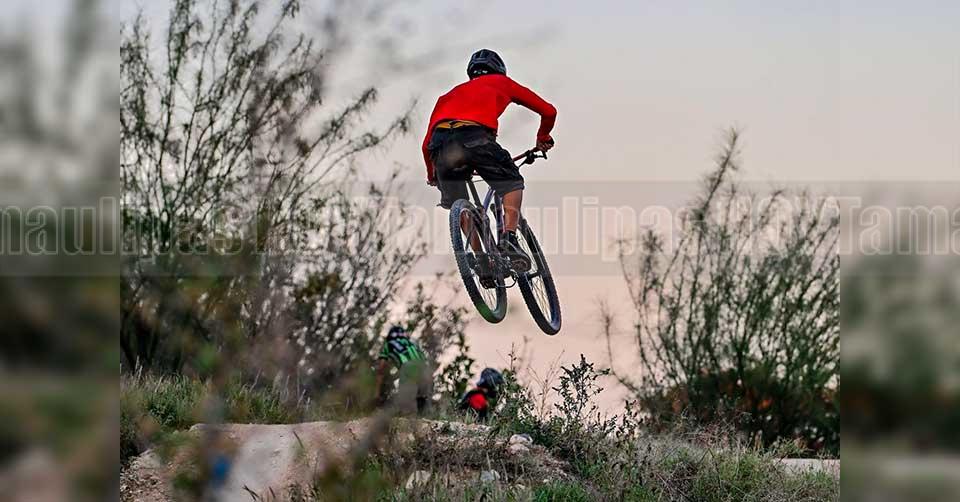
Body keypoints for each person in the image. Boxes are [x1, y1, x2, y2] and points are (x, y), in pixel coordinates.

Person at [422, 49, 557, 273]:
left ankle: (482, 262)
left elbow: (426, 144)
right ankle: (509, 239)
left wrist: (432, 174)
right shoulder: (501, 82)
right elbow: (549, 111)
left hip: (441, 147)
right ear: (499, 70)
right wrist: (543, 137)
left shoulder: (447, 96)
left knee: (459, 204)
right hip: (475, 138)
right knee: (512, 182)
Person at [374, 325, 432, 414]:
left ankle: (407, 416)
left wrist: (377, 393)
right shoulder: (411, 343)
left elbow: (381, 369)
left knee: (405, 403)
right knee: (423, 398)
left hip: (407, 367)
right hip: (424, 367)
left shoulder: (388, 344)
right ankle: (424, 416)